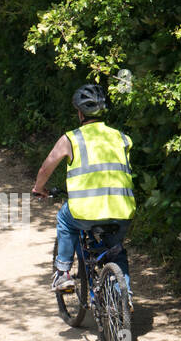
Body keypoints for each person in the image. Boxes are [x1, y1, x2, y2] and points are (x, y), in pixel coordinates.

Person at [31, 83, 135, 294]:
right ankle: (125, 297)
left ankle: (63, 274)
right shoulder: (123, 139)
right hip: (122, 211)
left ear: (80, 113)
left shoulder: (71, 139)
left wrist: (39, 188)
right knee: (115, 251)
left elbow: (45, 168)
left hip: (85, 211)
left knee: (64, 220)